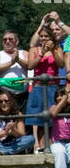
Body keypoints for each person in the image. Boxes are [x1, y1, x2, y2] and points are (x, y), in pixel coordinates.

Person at [27, 18, 64, 154]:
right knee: (39, 120)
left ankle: (53, 146)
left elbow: (61, 64)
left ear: (51, 37)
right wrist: (41, 54)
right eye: (41, 36)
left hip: (53, 87)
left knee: (52, 120)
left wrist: (53, 50)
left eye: (46, 36)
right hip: (38, 87)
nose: (43, 39)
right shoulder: (34, 49)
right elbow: (30, 65)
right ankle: (42, 147)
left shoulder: (58, 48)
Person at [0, 89, 34, 155]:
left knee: (31, 139)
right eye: (1, 101)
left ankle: (2, 151)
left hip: (15, 142)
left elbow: (22, 133)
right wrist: (5, 132)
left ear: (11, 101)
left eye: (6, 101)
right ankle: (7, 151)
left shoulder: (18, 114)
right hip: (0, 143)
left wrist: (13, 130)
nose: (3, 103)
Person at [49, 85, 70, 168]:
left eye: (61, 95)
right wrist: (64, 99)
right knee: (60, 154)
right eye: (57, 96)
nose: (58, 98)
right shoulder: (53, 107)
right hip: (58, 142)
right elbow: (54, 113)